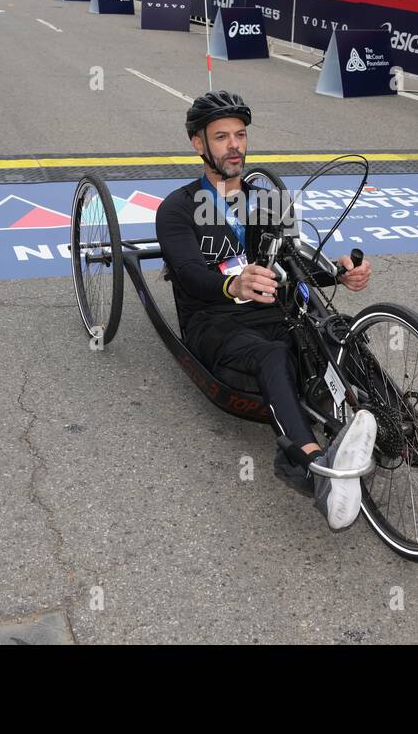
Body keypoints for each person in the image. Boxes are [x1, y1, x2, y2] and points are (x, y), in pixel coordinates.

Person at [155, 92, 395, 531]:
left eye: (240, 135)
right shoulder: (176, 208)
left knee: (337, 331)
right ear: (197, 144)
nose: (234, 146)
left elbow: (293, 262)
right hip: (215, 322)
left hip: (274, 310)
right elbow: (189, 274)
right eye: (222, 137)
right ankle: (313, 470)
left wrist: (337, 273)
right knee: (272, 357)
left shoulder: (267, 202)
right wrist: (232, 282)